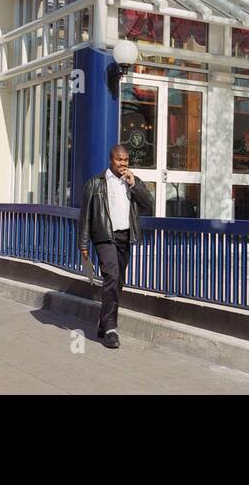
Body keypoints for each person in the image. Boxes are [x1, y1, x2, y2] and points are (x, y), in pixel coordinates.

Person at [77, 144, 153, 349]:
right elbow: (85, 215)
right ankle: (111, 329)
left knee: (118, 281)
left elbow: (149, 205)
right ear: (111, 160)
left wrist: (135, 184)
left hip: (125, 237)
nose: (123, 164)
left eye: (126, 160)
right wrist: (83, 243)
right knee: (111, 275)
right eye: (119, 160)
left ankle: (103, 321)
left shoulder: (131, 182)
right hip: (104, 237)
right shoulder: (95, 183)